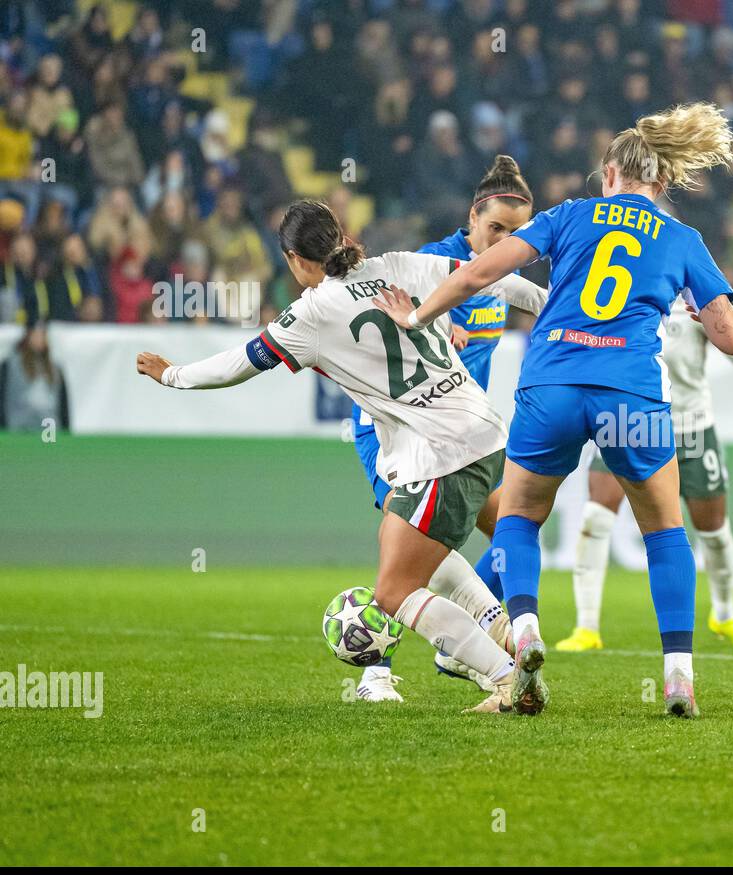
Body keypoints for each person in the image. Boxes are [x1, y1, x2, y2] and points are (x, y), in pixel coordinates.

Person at [373, 103, 733, 718]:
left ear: (609, 173)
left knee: (518, 515)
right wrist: (687, 301)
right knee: (664, 531)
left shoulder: (570, 216)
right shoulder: (683, 239)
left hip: (552, 388)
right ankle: (678, 676)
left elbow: (477, 275)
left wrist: (415, 318)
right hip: (631, 395)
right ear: (663, 182)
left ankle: (523, 633)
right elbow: (729, 336)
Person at [136, 199, 550, 714]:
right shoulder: (397, 264)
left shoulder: (309, 314)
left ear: (293, 258)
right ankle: (510, 637)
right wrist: (556, 305)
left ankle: (505, 678)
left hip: (439, 452)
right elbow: (493, 275)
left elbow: (238, 365)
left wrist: (171, 375)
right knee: (406, 545)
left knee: (396, 591)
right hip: (486, 432)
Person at [350, 156, 535, 646]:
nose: (502, 241)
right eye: (494, 227)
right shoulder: (434, 263)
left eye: (514, 233)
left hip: (456, 437)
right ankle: (376, 673)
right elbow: (370, 317)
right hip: (389, 425)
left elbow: (551, 298)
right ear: (471, 219)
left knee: (517, 529)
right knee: (400, 545)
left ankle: (474, 636)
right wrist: (427, 321)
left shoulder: (501, 276)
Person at [560, 293, 733, 653]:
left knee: (714, 531)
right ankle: (586, 627)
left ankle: (725, 613)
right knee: (595, 516)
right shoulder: (622, 296)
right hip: (629, 422)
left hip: (690, 429)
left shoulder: (699, 300)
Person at [0, 324, 69, 431]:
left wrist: (65, 430)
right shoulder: (11, 366)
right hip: (19, 428)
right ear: (28, 336)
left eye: (43, 334)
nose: (40, 338)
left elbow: (63, 405)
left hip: (49, 428)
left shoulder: (55, 369)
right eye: (36, 333)